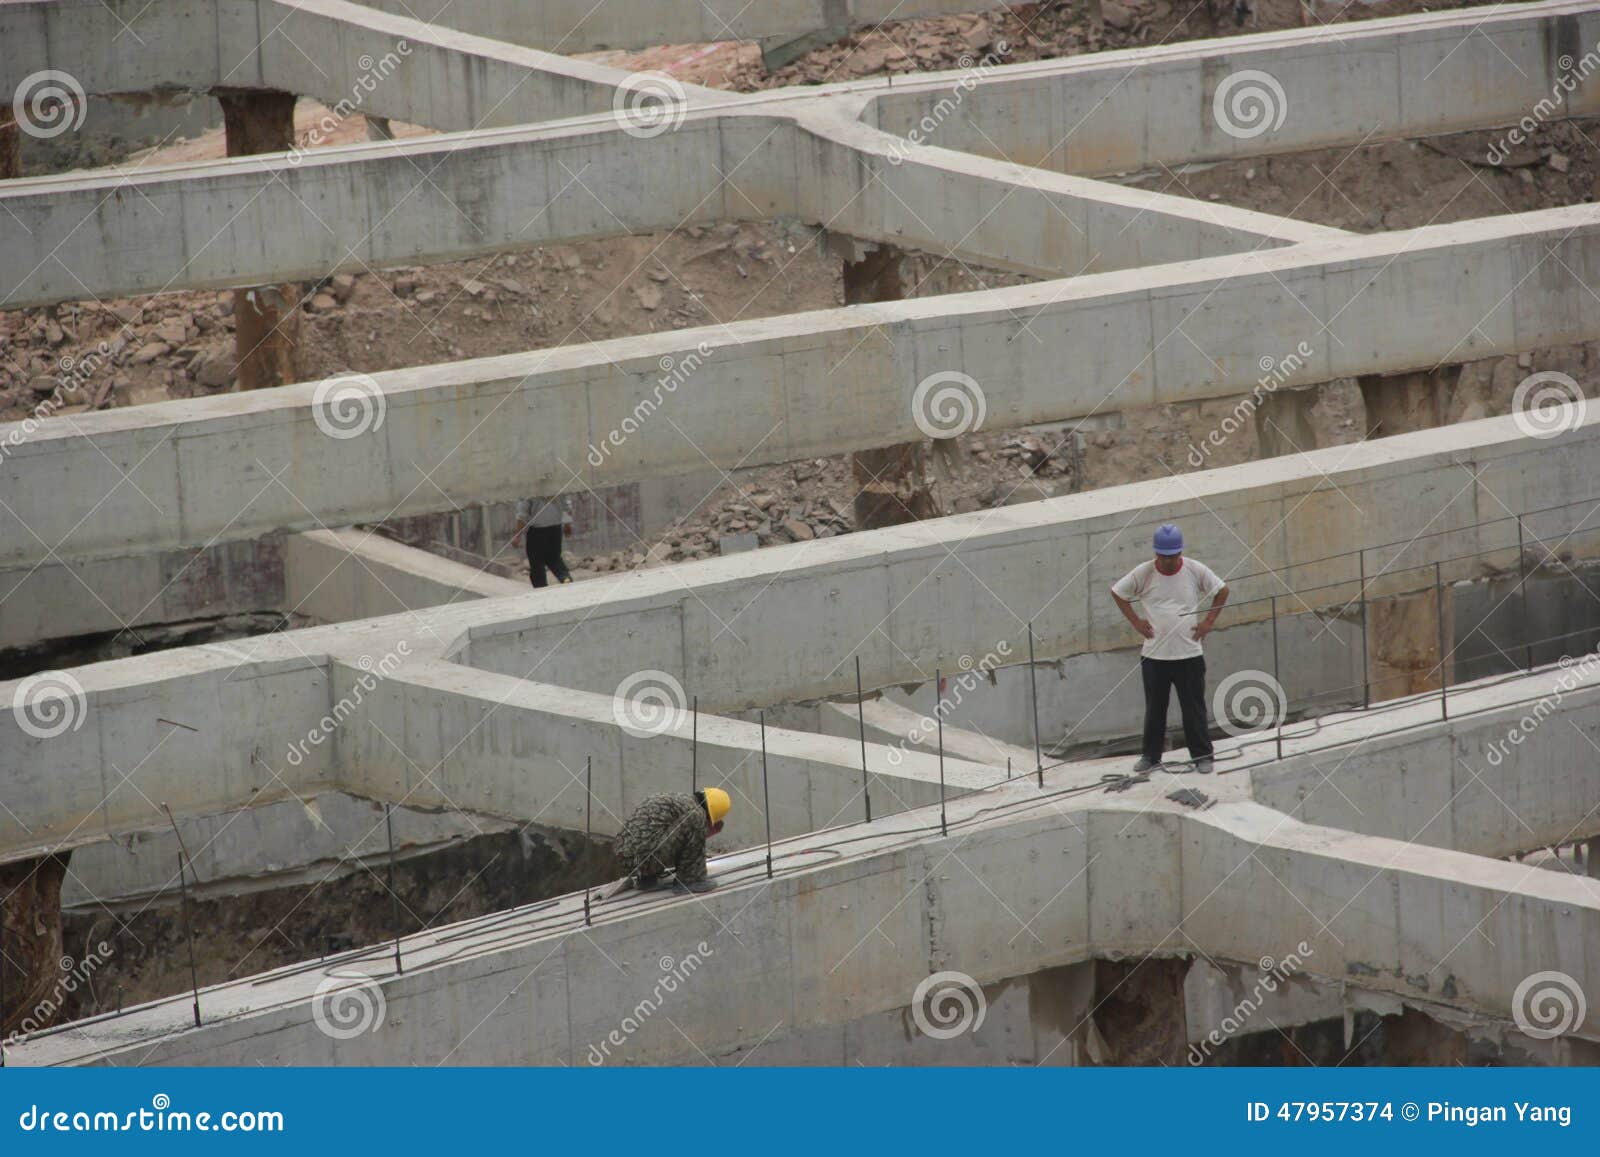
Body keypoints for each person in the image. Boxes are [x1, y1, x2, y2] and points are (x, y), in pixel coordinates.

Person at [1109, 523, 1229, 774]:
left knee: (1193, 709)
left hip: (1189, 655)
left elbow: (1222, 590)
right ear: (1156, 554)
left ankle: (1202, 756)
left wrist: (1208, 622)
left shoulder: (1195, 570)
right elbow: (1118, 592)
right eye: (1163, 556)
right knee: (1155, 709)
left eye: (1173, 556)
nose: (1168, 561)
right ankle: (1151, 757)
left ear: (1180, 552)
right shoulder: (1144, 573)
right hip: (1155, 657)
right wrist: (1136, 622)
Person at [614, 788, 731, 894]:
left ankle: (647, 879)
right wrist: (701, 833)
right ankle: (690, 880)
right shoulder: (696, 813)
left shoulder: (680, 800)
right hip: (644, 861)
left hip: (625, 859)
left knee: (656, 834)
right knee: (694, 821)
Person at [512, 494, 573, 588]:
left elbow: (522, 514)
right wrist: (567, 524)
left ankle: (540, 587)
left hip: (537, 531)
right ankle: (565, 577)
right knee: (555, 558)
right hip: (555, 529)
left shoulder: (529, 491)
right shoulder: (557, 487)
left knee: (536, 562)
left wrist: (517, 536)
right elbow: (566, 506)